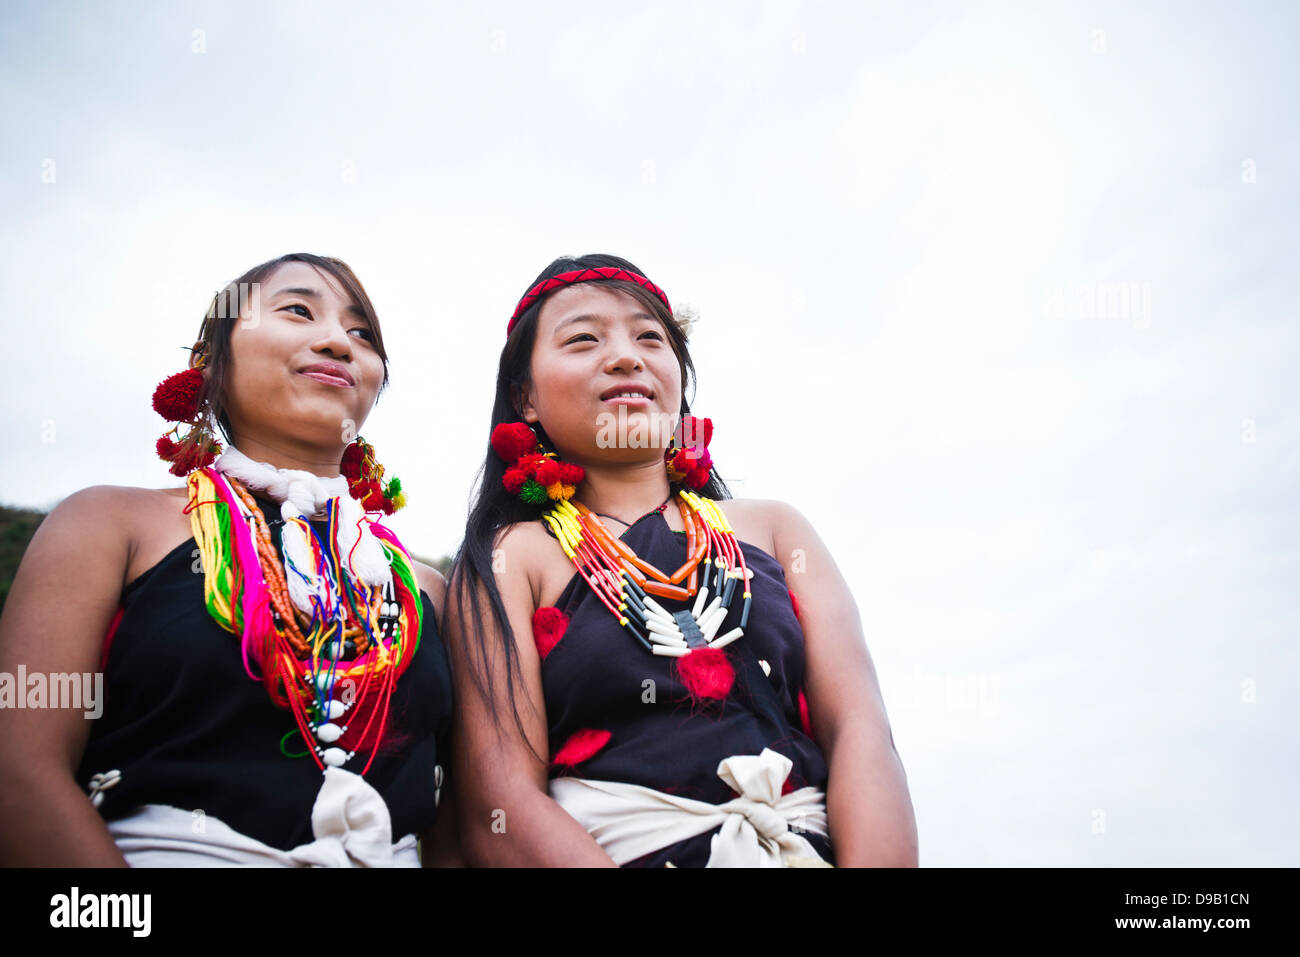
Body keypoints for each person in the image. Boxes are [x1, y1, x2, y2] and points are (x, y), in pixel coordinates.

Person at [447, 253, 918, 866]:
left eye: (650, 337)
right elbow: (499, 805)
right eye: (584, 339)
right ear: (525, 397)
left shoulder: (776, 530)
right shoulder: (510, 559)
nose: (625, 356)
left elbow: (862, 732)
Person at [0, 253, 456, 866]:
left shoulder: (425, 590)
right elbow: (20, 776)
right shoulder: (108, 525)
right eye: (298, 310)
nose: (337, 343)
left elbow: (459, 826)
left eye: (362, 335)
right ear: (212, 360)